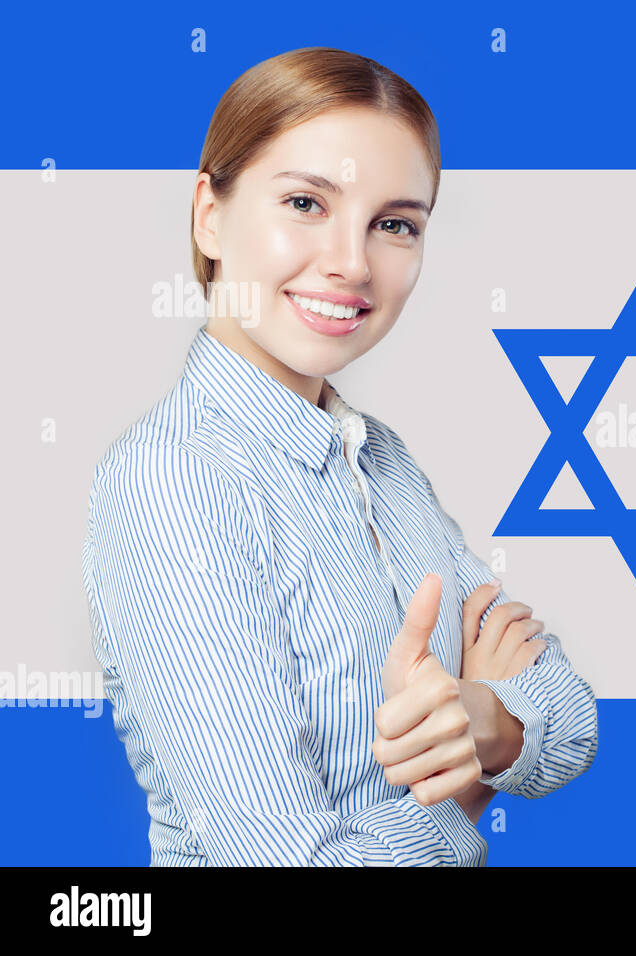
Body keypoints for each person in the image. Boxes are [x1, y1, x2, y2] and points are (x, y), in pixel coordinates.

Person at [79, 47, 598, 866]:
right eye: (304, 203)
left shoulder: (380, 459)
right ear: (209, 216)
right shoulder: (174, 480)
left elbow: (570, 715)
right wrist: (467, 788)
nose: (352, 264)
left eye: (394, 224)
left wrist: (487, 720)